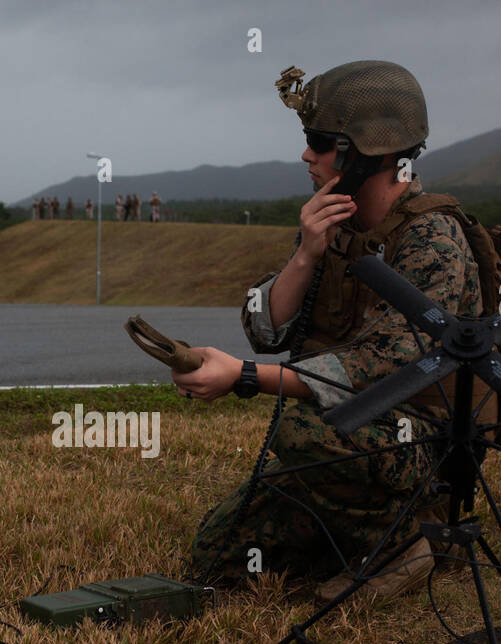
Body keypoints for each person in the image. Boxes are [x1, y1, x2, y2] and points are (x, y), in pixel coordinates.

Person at [172, 60, 484, 598]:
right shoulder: (336, 224)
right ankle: (370, 531)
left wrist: (246, 378)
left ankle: (403, 543)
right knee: (219, 553)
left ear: (371, 156)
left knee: (302, 431)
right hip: (347, 432)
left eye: (320, 142)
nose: (306, 155)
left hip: (415, 441)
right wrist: (306, 254)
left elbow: (382, 364)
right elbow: (262, 327)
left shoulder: (432, 239)